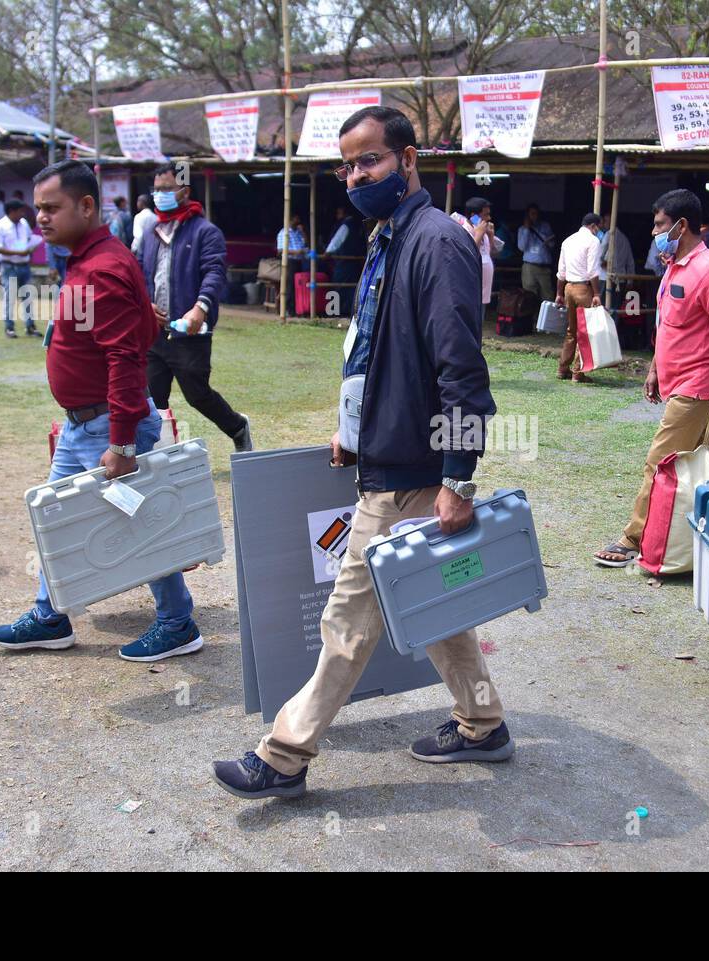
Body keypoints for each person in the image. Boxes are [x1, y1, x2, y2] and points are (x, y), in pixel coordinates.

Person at [211, 104, 509, 801]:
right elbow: (376, 353)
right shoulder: (388, 239)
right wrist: (355, 426)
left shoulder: (435, 242)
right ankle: (483, 721)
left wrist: (459, 476)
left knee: (346, 618)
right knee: (432, 604)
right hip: (385, 453)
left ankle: (284, 755)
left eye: (368, 159)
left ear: (408, 160)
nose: (354, 175)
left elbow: (462, 369)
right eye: (346, 164)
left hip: (412, 471)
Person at [0, 159, 204, 662]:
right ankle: (51, 616)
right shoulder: (92, 258)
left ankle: (178, 623)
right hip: (84, 424)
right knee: (57, 519)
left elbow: (125, 357)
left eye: (51, 208)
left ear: (86, 206)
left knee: (139, 523)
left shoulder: (103, 266)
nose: (40, 217)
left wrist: (123, 442)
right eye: (37, 208)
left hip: (108, 424)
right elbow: (144, 331)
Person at [594, 189, 709, 567]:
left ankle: (631, 539)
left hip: (698, 386)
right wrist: (655, 368)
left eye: (660, 225)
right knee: (699, 466)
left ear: (681, 225)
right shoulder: (673, 265)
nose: (655, 232)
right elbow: (668, 323)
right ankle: (696, 537)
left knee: (659, 462)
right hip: (676, 381)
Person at [141, 162, 253, 453]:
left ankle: (237, 427)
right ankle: (156, 456)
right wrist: (145, 302)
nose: (159, 195)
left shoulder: (205, 232)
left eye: (166, 189)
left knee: (197, 394)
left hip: (190, 331)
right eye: (156, 189)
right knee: (151, 398)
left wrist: (200, 308)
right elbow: (141, 272)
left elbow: (215, 272)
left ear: (184, 191)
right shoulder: (153, 230)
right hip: (154, 332)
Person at [555, 213, 604, 382]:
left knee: (571, 330)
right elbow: (593, 271)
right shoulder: (593, 241)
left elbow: (561, 272)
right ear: (594, 226)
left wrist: (559, 294)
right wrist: (597, 293)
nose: (599, 230)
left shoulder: (568, 241)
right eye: (599, 227)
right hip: (584, 288)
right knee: (585, 331)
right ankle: (578, 371)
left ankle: (563, 368)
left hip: (568, 287)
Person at [0, 200, 43, 338]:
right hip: (9, 266)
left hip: (24, 265)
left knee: (28, 296)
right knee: (10, 297)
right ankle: (9, 328)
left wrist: (31, 247)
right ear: (12, 211)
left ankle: (30, 326)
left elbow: (29, 239)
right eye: (20, 211)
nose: (22, 213)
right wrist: (17, 253)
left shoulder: (24, 223)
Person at [453, 196, 504, 306]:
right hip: (471, 287)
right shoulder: (463, 229)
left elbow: (487, 254)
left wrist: (490, 236)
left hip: (483, 289)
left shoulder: (482, 229)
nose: (489, 218)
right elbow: (467, 254)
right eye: (486, 214)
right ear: (474, 216)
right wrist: (479, 235)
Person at [325, 205, 366, 316]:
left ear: (344, 213)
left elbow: (336, 242)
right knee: (352, 287)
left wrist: (327, 253)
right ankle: (349, 311)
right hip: (355, 262)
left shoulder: (345, 225)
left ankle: (336, 311)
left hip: (343, 262)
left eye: (339, 213)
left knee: (339, 285)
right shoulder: (359, 225)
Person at [518, 203, 557, 302]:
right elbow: (521, 247)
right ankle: (531, 317)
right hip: (529, 267)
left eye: (536, 213)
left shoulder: (545, 226)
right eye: (531, 214)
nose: (534, 216)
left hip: (544, 267)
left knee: (547, 295)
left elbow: (552, 244)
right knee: (529, 294)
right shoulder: (522, 229)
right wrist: (527, 229)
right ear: (527, 215)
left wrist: (543, 237)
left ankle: (545, 317)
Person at [276, 212, 307, 314]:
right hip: (289, 262)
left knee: (298, 285)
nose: (298, 221)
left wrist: (303, 233)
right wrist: (296, 252)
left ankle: (297, 308)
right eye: (296, 218)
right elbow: (280, 251)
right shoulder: (284, 233)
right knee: (289, 286)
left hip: (299, 261)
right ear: (291, 219)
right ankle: (288, 309)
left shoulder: (298, 232)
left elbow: (305, 244)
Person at [130, 193, 156, 258]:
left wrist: (134, 249)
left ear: (142, 203)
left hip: (141, 251)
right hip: (153, 249)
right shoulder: (155, 217)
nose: (137, 204)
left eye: (138, 201)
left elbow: (138, 236)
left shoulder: (138, 217)